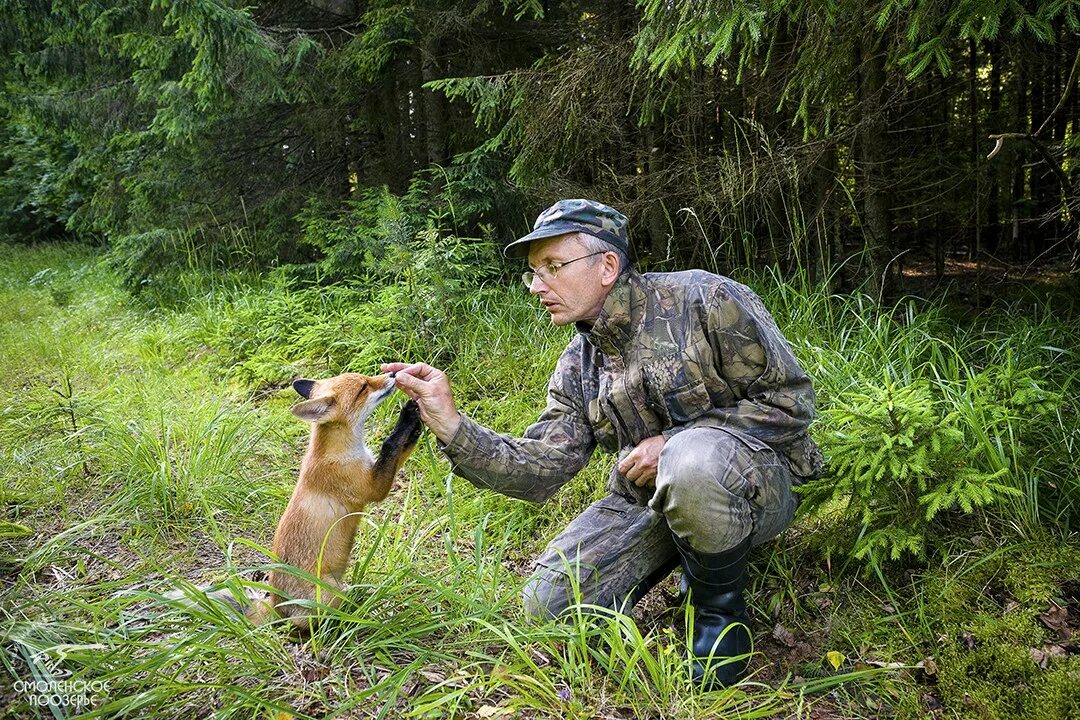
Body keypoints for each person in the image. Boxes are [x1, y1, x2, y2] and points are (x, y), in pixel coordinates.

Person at [382, 199, 822, 688]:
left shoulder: (706, 299)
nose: (536, 285)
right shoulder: (579, 363)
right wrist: (450, 423)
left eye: (553, 266)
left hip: (760, 484)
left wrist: (672, 443)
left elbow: (790, 404)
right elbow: (541, 467)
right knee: (546, 604)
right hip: (648, 499)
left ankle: (717, 614)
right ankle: (688, 546)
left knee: (692, 459)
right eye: (532, 272)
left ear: (607, 265)